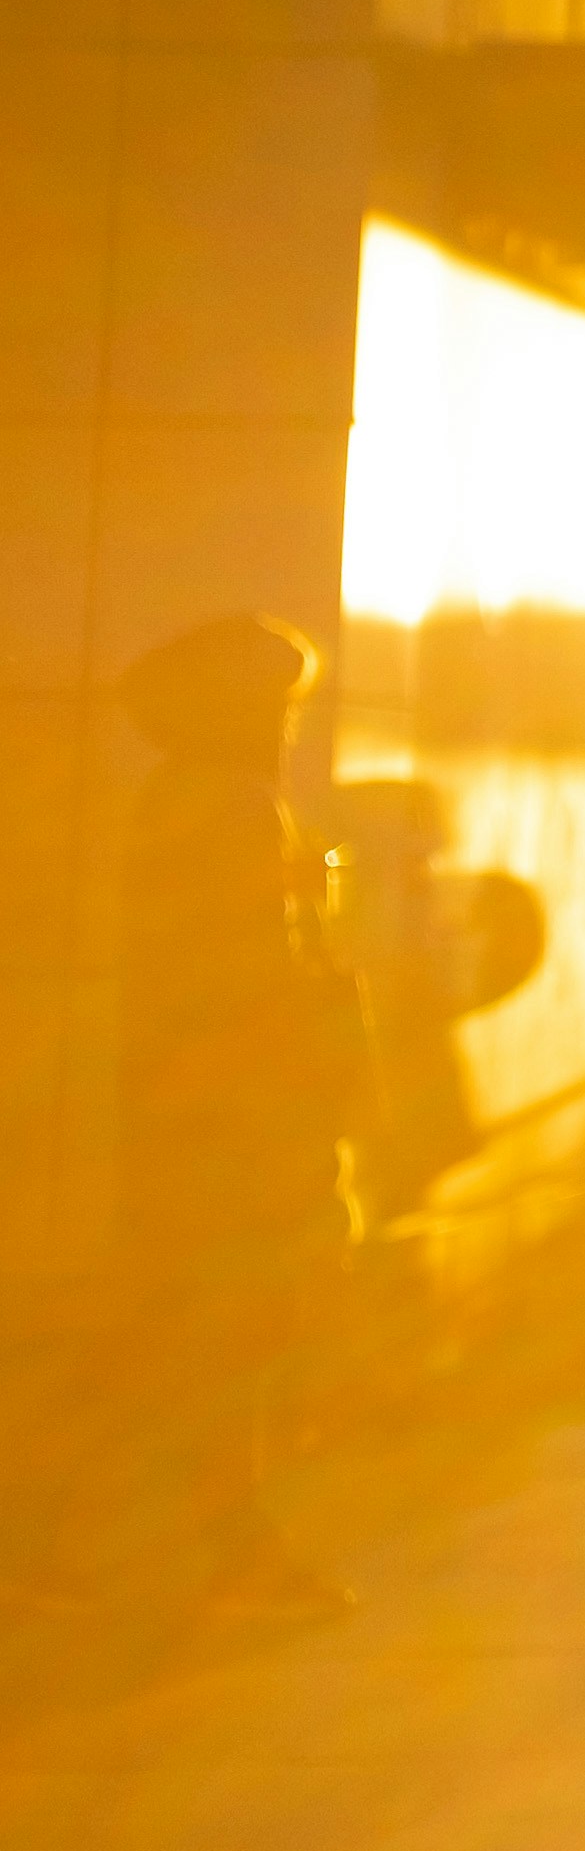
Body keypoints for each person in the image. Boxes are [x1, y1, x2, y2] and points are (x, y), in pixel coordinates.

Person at [41, 615, 365, 1628]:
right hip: (226, 1132)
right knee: (212, 1344)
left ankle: (134, 1543)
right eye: (275, 705)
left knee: (189, 1344)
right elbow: (257, 983)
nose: (287, 725)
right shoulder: (224, 808)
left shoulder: (204, 801)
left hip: (208, 1123)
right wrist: (305, 1116)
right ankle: (213, 1550)